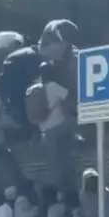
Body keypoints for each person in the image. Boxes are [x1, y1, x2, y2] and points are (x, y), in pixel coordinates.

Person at [37, 62, 76, 192]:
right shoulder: (53, 86)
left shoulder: (36, 89)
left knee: (56, 163)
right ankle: (82, 138)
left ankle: (61, 192)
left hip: (45, 132)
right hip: (60, 126)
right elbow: (69, 98)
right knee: (79, 119)